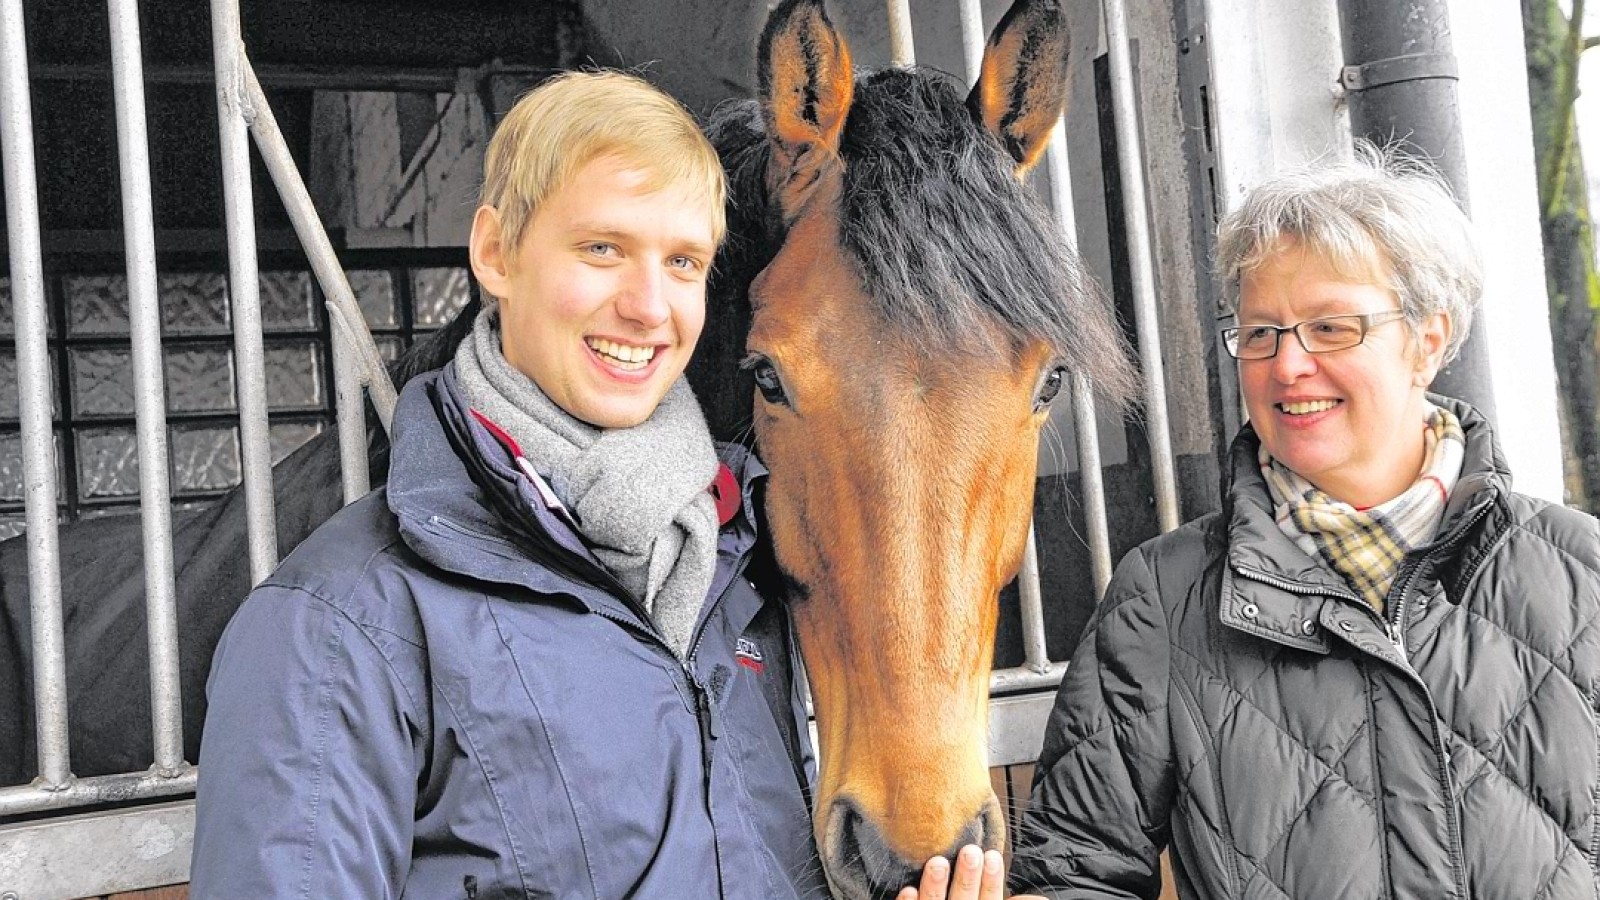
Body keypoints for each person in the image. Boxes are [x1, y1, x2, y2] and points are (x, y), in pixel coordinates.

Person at [190, 70, 827, 899]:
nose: (648, 306)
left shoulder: (737, 569)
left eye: (682, 262)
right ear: (495, 253)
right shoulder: (338, 626)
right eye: (603, 248)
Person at [1007, 144, 1600, 898]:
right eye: (1260, 333)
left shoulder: (1582, 571)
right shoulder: (1163, 597)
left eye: (1330, 328)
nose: (1287, 366)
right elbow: (1076, 874)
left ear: (1428, 340)